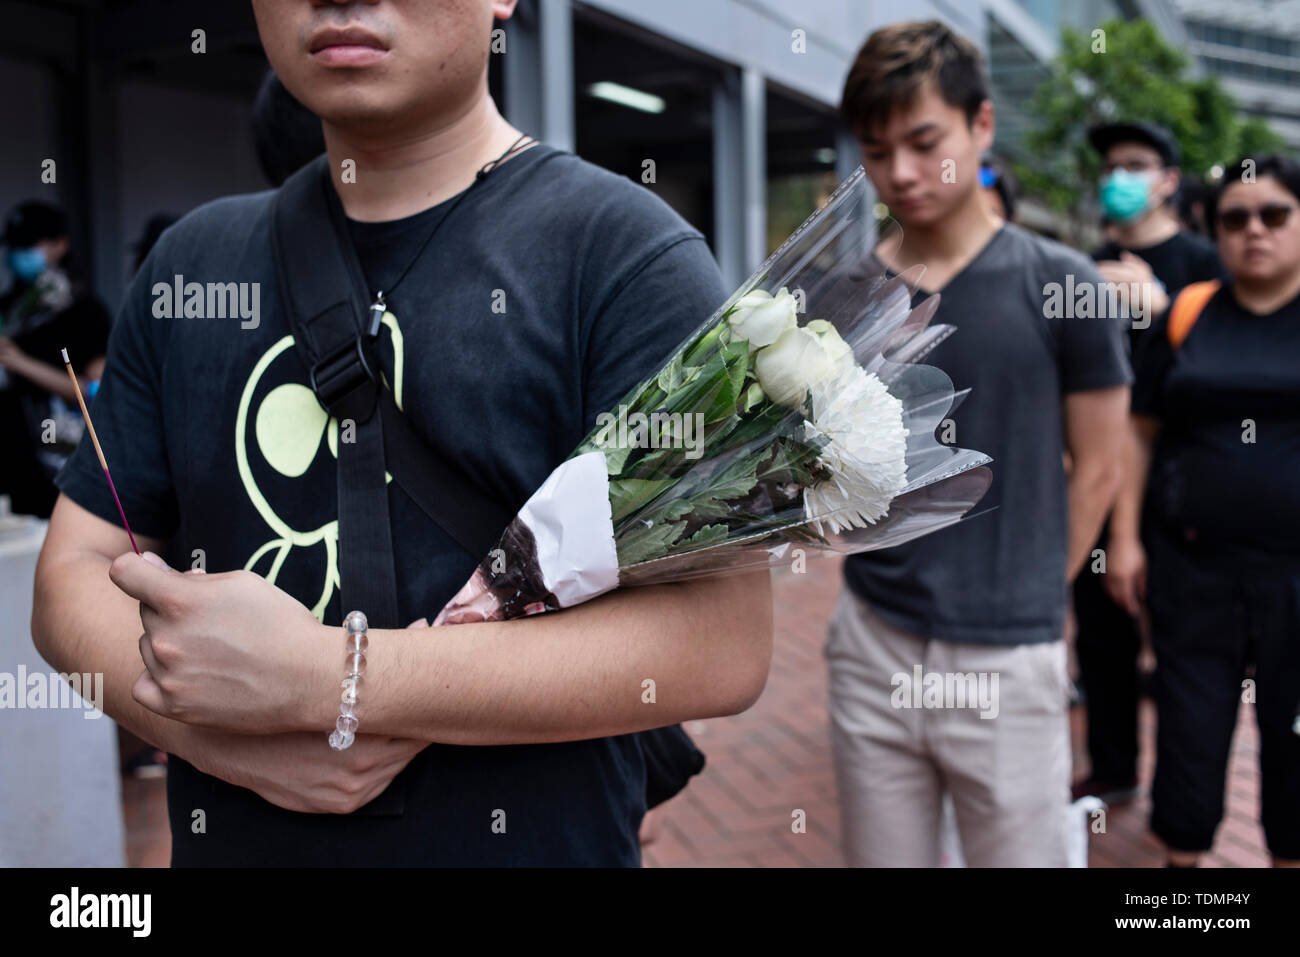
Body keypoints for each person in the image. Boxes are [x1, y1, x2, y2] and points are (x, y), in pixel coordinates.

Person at [33, 0, 771, 867]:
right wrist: (209, 735)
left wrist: (334, 682)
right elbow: (70, 576)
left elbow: (722, 640)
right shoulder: (192, 264)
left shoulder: (625, 257)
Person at [828, 20, 1131, 867]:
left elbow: (1101, 463)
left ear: (982, 126)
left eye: (926, 142)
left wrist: (1032, 587)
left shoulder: (1063, 283)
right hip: (873, 638)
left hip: (1008, 652)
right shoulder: (849, 293)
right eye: (879, 150)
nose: (904, 173)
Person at [1107, 155, 1300, 868]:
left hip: (1294, 576)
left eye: (1275, 214)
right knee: (1189, 729)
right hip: (1194, 569)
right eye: (1235, 217)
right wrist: (1123, 539)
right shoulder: (1189, 315)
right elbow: (1139, 430)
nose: (1255, 229)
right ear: (1214, 229)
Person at [1071, 122, 1224, 804]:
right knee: (1101, 631)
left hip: (1182, 483)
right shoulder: (1085, 264)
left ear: (1167, 179)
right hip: (1097, 477)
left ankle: (1181, 794)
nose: (1118, 178)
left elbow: (1224, 366)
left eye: (1135, 165)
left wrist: (1160, 311)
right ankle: (1112, 765)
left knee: (1185, 643)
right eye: (1109, 166)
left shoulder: (1203, 263)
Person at [0, 200, 110, 518]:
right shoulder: (10, 309)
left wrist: (20, 362)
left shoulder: (84, 311)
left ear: (60, 245)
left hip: (61, 469)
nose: (20, 254)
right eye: (15, 245)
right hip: (12, 467)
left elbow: (95, 391)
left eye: (30, 244)